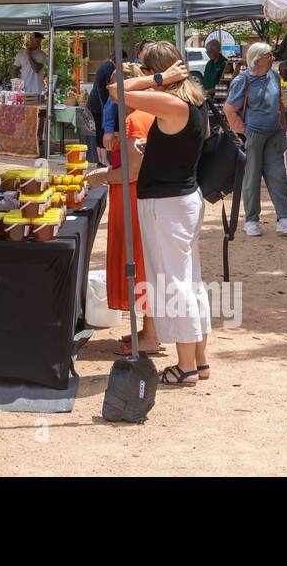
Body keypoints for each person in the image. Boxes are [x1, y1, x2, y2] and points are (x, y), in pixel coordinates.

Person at [108, 42, 211, 386]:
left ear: (161, 69)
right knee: (190, 281)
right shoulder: (196, 101)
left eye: (143, 67)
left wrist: (157, 78)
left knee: (174, 284)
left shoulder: (170, 100)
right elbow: (184, 145)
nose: (139, 73)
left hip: (167, 204)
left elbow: (115, 91)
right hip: (185, 198)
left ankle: (186, 368)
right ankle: (199, 360)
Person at [96, 63, 161, 355]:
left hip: (134, 198)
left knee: (141, 264)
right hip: (138, 196)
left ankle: (150, 335)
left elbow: (131, 172)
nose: (111, 95)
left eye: (114, 88)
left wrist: (100, 176)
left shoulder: (136, 120)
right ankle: (149, 331)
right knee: (143, 262)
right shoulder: (145, 115)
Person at [225, 42, 287, 237]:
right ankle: (251, 221)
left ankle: (285, 219)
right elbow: (229, 111)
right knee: (252, 178)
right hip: (253, 133)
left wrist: (283, 128)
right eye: (268, 55)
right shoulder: (242, 80)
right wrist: (245, 133)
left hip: (273, 133)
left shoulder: (273, 76)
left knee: (278, 175)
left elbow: (279, 103)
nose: (272, 58)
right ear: (257, 59)